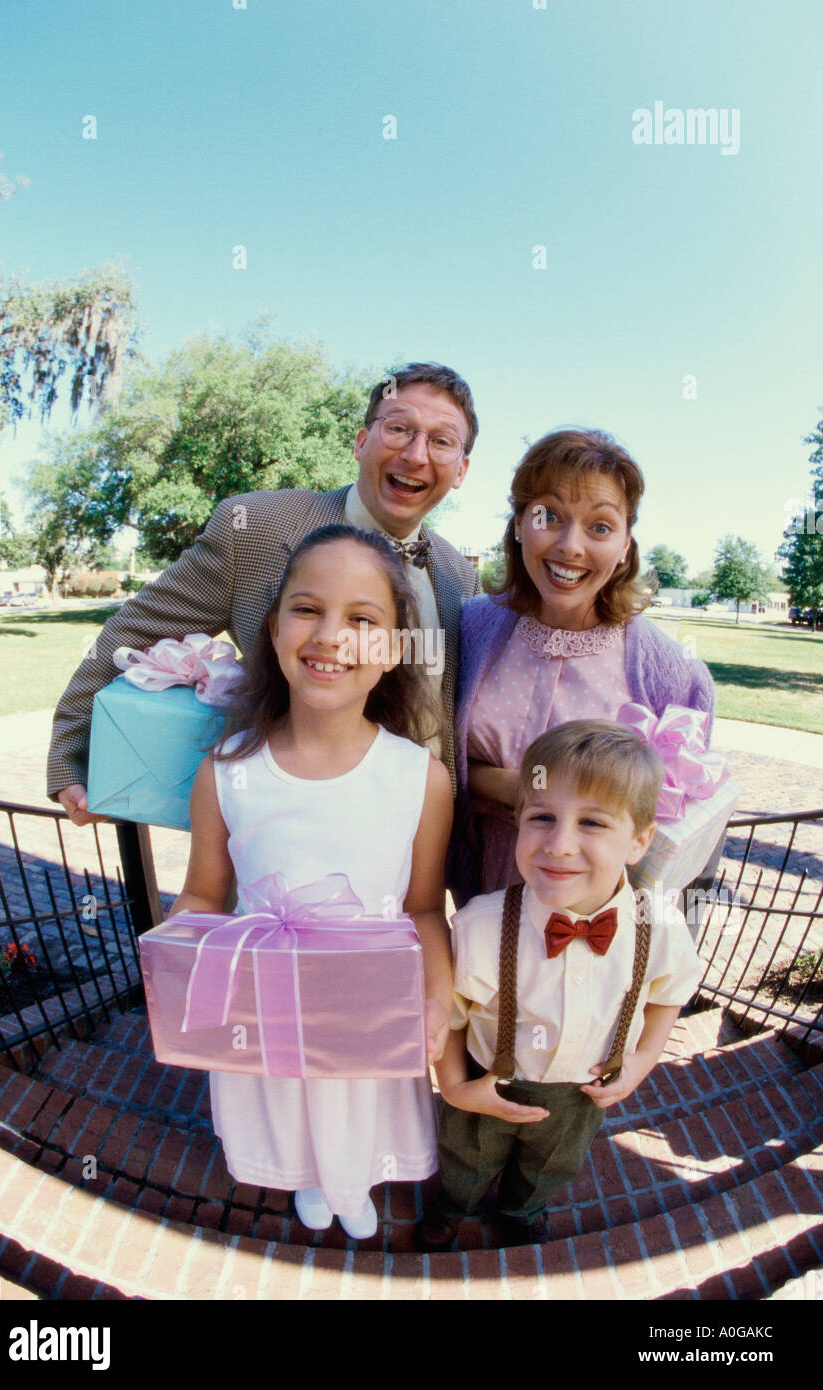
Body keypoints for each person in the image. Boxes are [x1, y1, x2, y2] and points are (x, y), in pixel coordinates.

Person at [167, 524, 453, 1240]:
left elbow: (422, 906)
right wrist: (174, 958)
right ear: (272, 631)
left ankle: (351, 1181)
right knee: (289, 1099)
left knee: (352, 1106)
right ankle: (304, 1178)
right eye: (307, 609)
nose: (331, 635)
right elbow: (205, 892)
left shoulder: (421, 778)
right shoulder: (227, 771)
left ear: (390, 650)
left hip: (367, 1006)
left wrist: (438, 995)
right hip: (267, 1002)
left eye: (362, 619)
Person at [49, 362, 480, 821]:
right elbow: (133, 631)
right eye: (399, 428)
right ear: (360, 442)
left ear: (460, 470)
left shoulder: (460, 577)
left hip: (418, 836)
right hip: (274, 836)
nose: (416, 455)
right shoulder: (256, 527)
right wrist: (71, 755)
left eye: (441, 441)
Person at [419, 720, 701, 1251]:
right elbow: (452, 1013)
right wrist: (456, 1087)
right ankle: (454, 1206)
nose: (560, 844)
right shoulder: (482, 924)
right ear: (518, 821)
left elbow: (669, 993)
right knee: (466, 1157)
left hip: (581, 1096)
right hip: (489, 1082)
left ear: (640, 841)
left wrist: (642, 1059)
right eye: (542, 817)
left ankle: (522, 1209)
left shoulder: (659, 925)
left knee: (552, 1164)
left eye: (592, 823)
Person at [449, 428, 716, 908]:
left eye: (600, 527)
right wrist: (510, 785)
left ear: (625, 545)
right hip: (478, 915)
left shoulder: (672, 674)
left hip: (601, 938)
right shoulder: (467, 629)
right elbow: (431, 759)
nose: (571, 546)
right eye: (548, 516)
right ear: (517, 524)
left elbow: (680, 830)